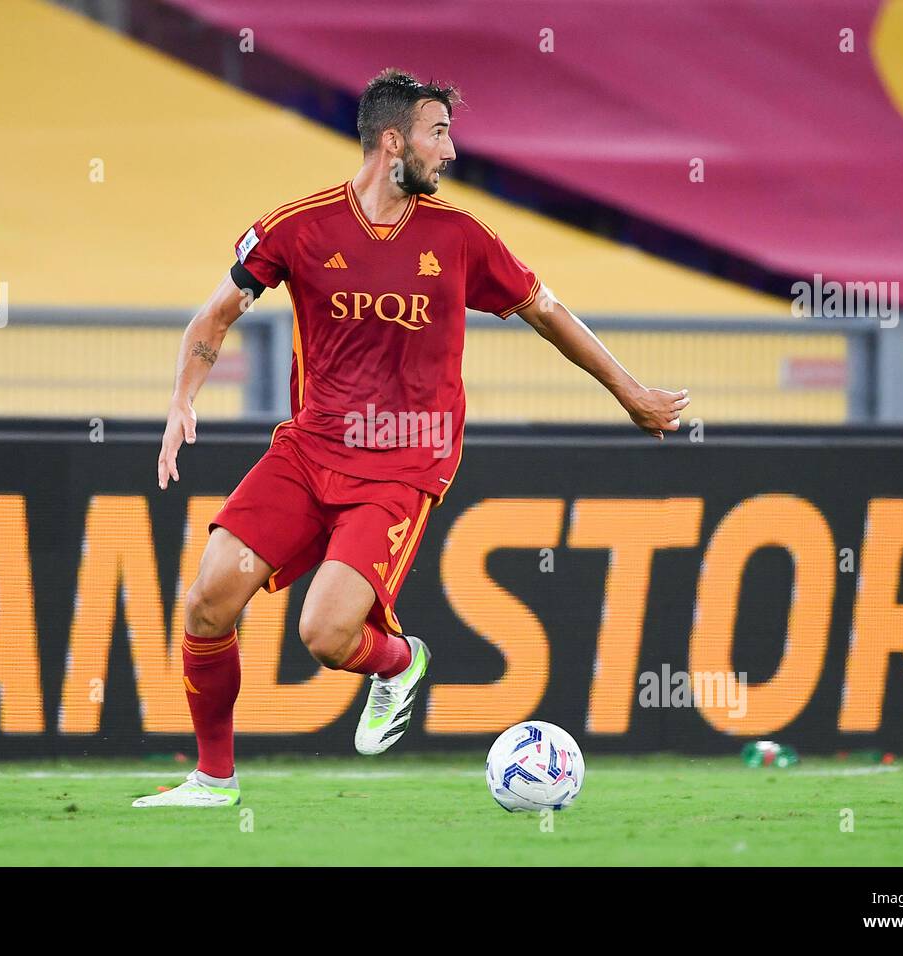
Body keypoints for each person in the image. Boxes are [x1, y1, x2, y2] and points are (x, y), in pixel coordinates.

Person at [134, 69, 688, 808]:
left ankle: (398, 662)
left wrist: (631, 394)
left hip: (406, 460)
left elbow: (546, 310)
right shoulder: (297, 228)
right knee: (208, 600)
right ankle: (213, 781)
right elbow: (214, 317)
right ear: (392, 141)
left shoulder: (461, 238)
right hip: (309, 449)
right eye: (439, 134)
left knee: (326, 635)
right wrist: (182, 400)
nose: (451, 152)